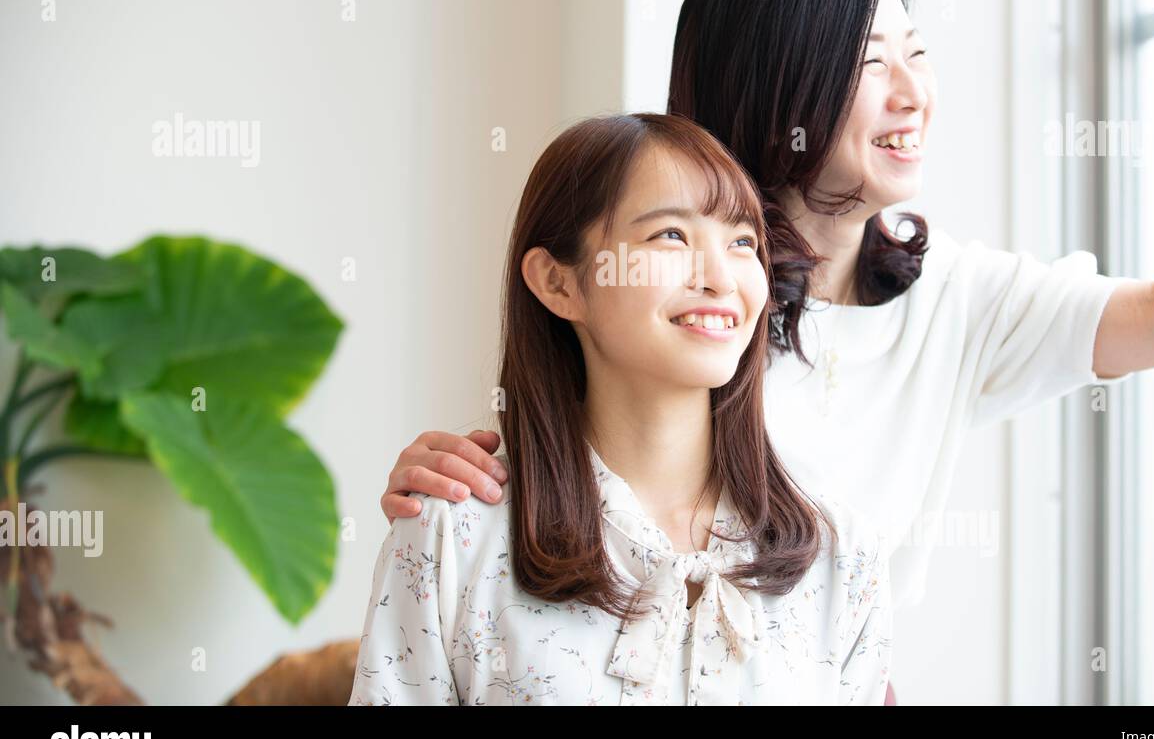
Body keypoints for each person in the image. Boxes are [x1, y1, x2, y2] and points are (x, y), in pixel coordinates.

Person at [377, 0, 1154, 700]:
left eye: (918, 57)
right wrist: (471, 485)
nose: (914, 95)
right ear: (778, 86)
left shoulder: (952, 298)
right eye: (871, 64)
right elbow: (547, 466)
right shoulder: (675, 310)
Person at [351, 113, 891, 705]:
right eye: (671, 237)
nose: (721, 278)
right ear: (560, 284)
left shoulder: (840, 556)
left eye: (742, 242)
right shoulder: (451, 536)